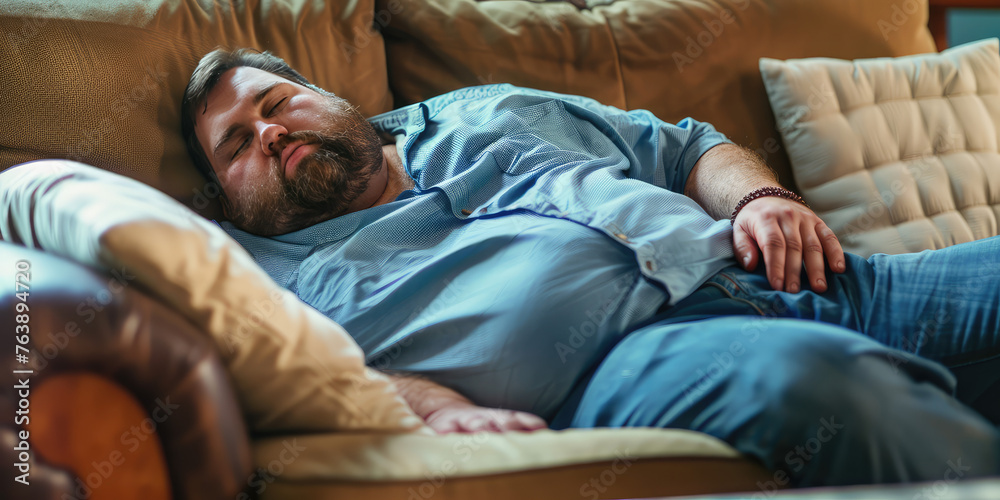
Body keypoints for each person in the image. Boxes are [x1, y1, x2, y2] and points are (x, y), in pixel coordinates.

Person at [181, 48, 1000, 487]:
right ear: (222, 196)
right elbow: (294, 376)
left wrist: (759, 200)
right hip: (630, 359)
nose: (270, 133)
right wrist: (425, 401)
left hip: (802, 274)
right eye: (236, 144)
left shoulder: (483, 111)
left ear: (325, 96)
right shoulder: (250, 271)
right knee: (819, 386)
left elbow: (689, 148)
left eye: (277, 104)